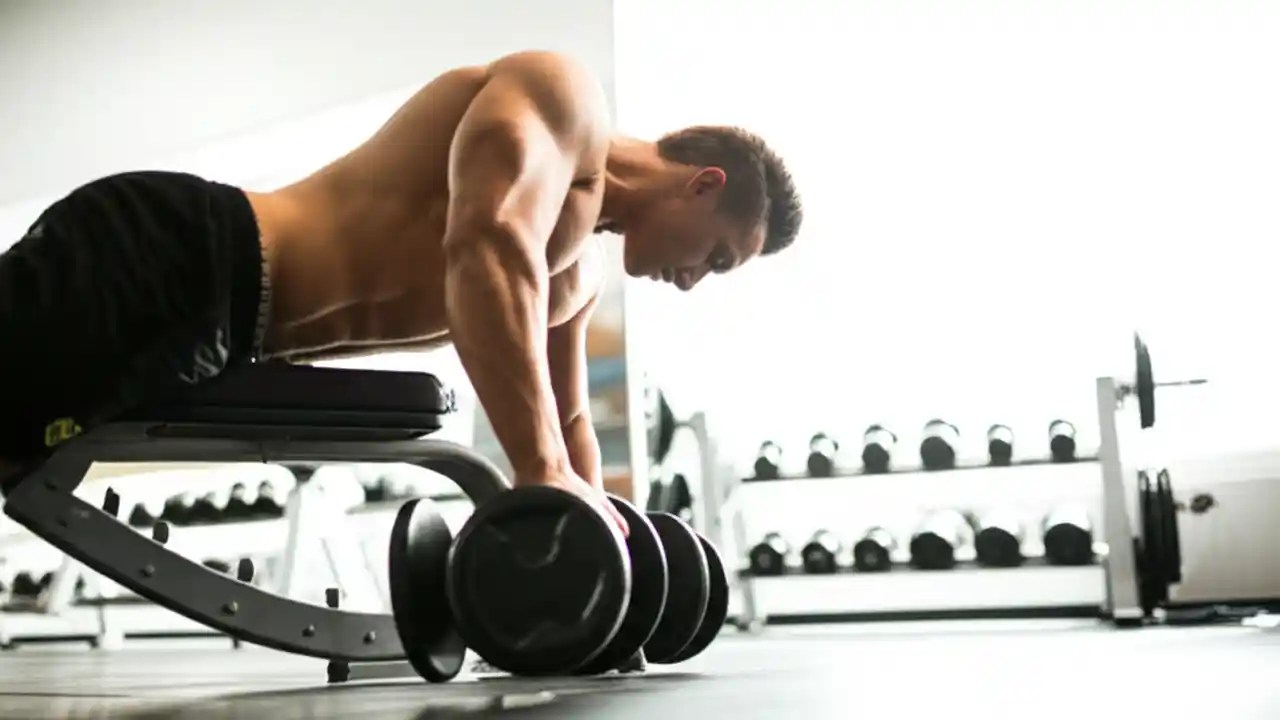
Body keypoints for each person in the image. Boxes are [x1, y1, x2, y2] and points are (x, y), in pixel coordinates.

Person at [0, 50, 803, 532]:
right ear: (703, 185)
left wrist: (598, 527)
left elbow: (566, 421)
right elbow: (486, 243)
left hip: (223, 336)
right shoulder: (564, 98)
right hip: (180, 253)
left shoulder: (574, 275)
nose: (697, 281)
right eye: (720, 259)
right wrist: (540, 477)